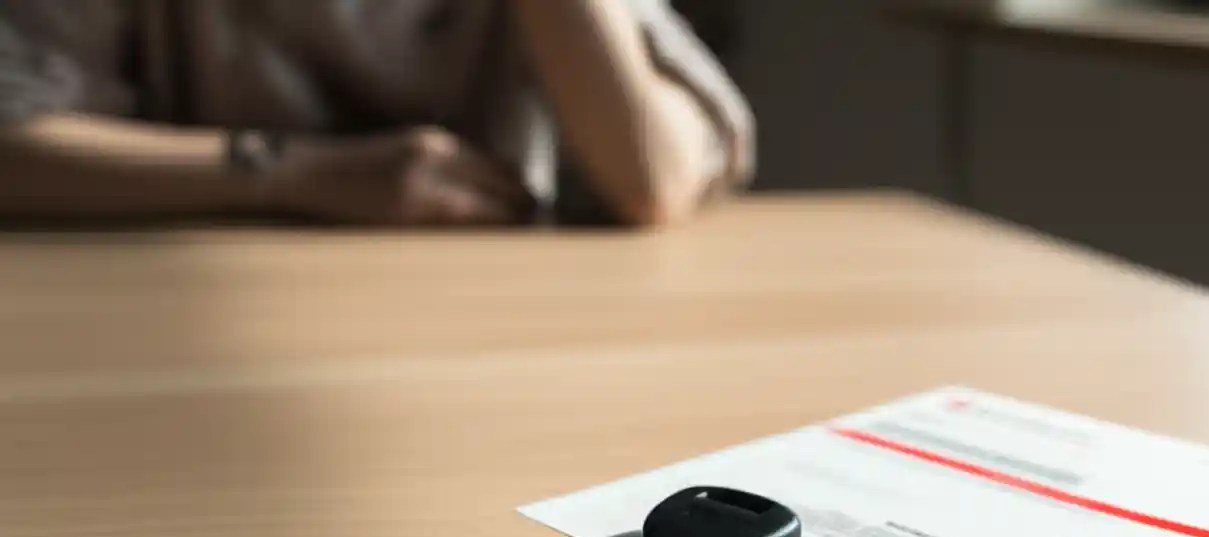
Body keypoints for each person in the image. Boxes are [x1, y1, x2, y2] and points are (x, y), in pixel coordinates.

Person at [0, 1, 754, 226]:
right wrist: (292, 174)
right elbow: (15, 148)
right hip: (173, 318)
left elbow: (656, 180)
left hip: (476, 336)